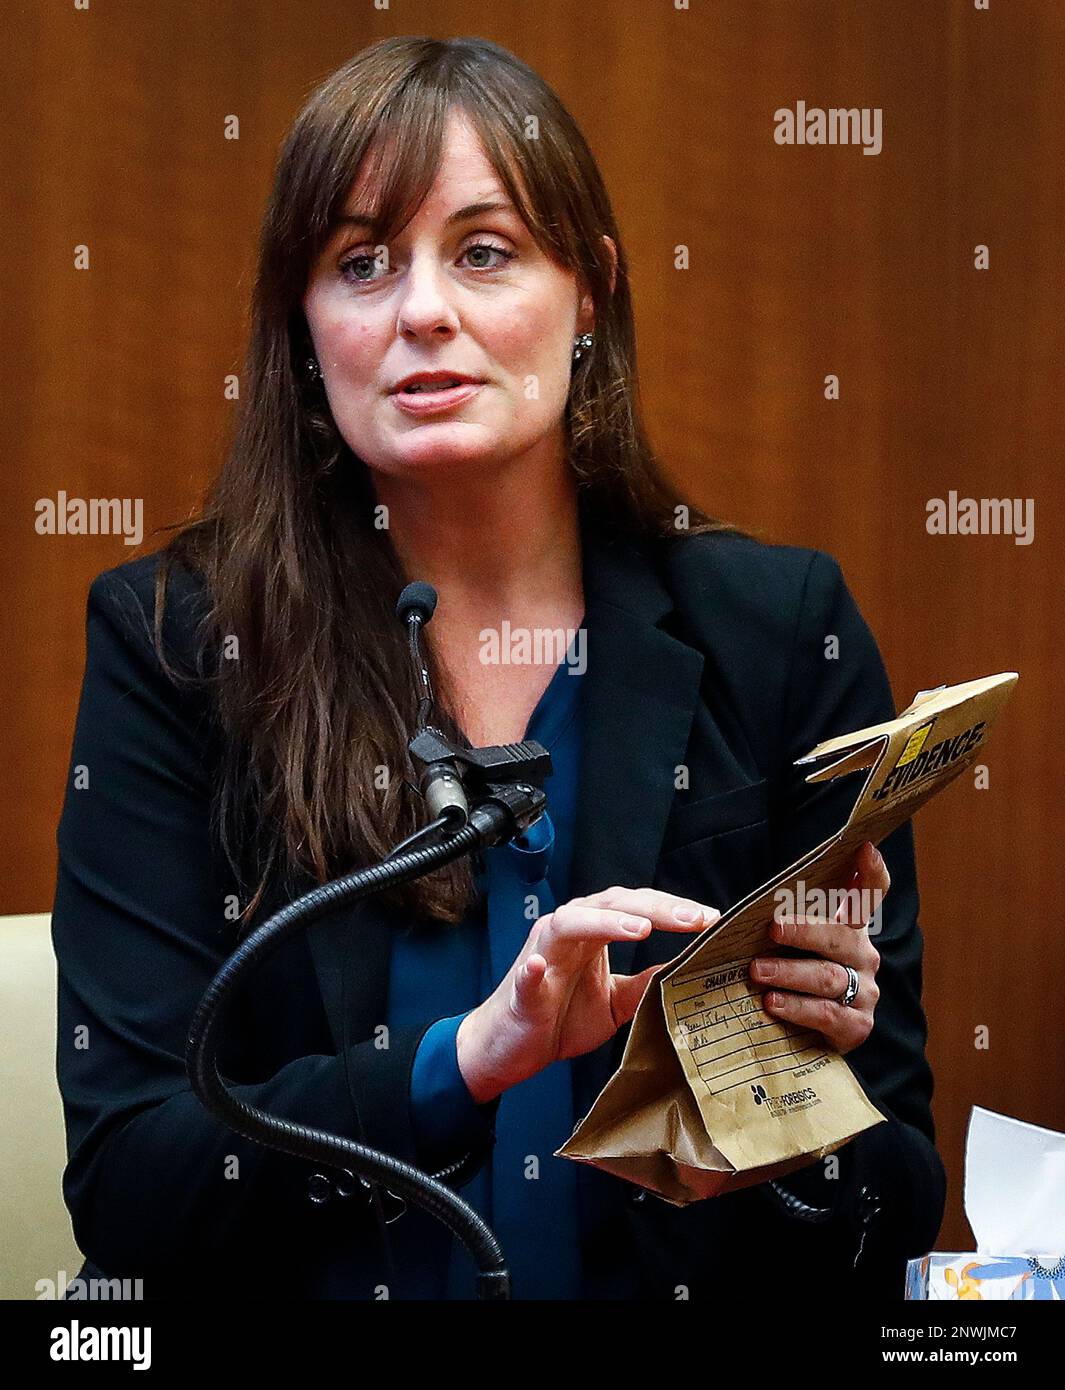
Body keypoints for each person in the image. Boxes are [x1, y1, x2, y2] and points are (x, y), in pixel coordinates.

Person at [52, 35, 945, 1301]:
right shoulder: (178, 642)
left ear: (590, 291)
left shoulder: (775, 628)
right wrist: (467, 1059)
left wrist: (786, 1124)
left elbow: (895, 1198)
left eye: (483, 250)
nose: (422, 309)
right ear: (305, 328)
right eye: (360, 262)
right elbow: (133, 1178)